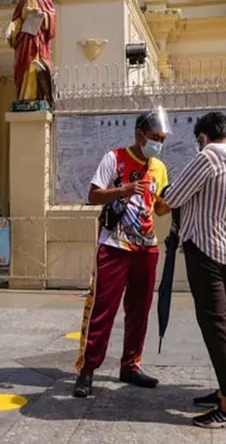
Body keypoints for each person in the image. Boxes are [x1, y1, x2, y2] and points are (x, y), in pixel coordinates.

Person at [163, 111, 226, 428]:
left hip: (205, 250)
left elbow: (172, 199)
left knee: (216, 327)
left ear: (203, 136)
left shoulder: (209, 157)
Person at [73, 107, 171, 398]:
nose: (158, 144)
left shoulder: (159, 167)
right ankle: (87, 370)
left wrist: (175, 201)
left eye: (162, 139)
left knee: (139, 311)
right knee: (103, 309)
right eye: (154, 137)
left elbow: (160, 207)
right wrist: (125, 189)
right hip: (114, 245)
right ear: (138, 134)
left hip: (146, 247)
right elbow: (93, 195)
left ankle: (131, 364)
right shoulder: (114, 158)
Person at [6, 0, 57, 105]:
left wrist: (42, 15)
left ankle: (36, 96)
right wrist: (12, 27)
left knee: (36, 65)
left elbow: (52, 16)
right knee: (24, 64)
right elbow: (17, 18)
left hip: (38, 36)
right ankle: (24, 95)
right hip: (25, 37)